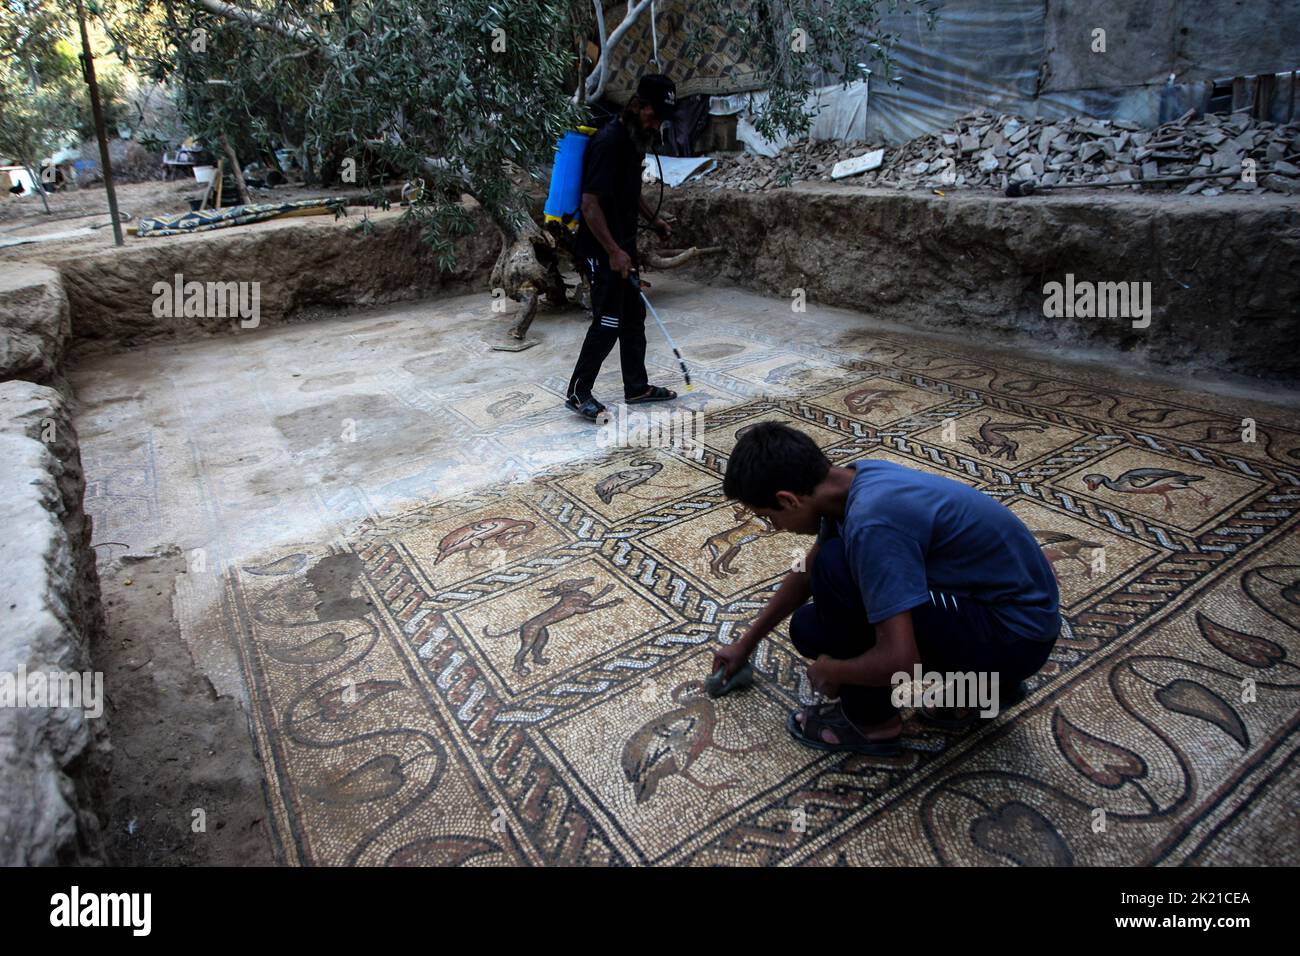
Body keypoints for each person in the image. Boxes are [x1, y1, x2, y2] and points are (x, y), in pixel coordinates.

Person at [712, 422, 1061, 755]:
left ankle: (872, 723)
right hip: (1009, 620)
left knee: (837, 567)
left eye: (770, 518)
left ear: (788, 500)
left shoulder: (872, 522)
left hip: (1017, 637)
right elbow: (806, 572)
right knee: (810, 626)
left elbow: (901, 662)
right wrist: (746, 643)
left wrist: (834, 671)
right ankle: (987, 688)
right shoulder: (855, 480)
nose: (776, 528)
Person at [566, 74, 680, 422]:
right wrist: (614, 251)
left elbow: (631, 192)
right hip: (602, 248)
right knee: (607, 321)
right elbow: (589, 204)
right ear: (638, 105)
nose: (657, 123)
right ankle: (577, 392)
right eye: (654, 114)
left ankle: (637, 387)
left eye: (662, 118)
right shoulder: (608, 142)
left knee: (633, 316)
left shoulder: (632, 142)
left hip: (622, 247)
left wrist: (655, 220)